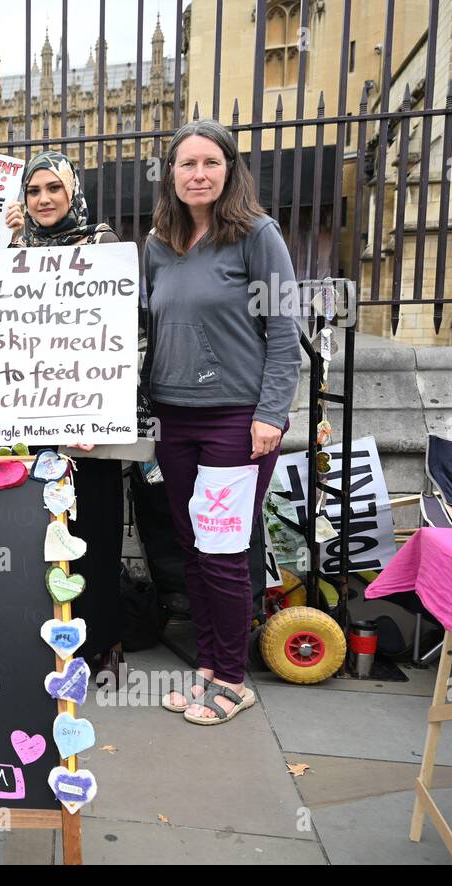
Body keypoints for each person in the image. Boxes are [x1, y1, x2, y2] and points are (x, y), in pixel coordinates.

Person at [143, 119, 301, 724]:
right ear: (172, 175)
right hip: (172, 417)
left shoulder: (258, 236)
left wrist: (271, 414)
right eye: (187, 164)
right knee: (191, 545)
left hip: (237, 419)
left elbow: (285, 330)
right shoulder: (159, 244)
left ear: (230, 170)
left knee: (224, 549)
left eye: (210, 163)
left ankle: (234, 679)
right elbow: (147, 327)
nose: (199, 174)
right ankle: (208, 665)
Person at [0, 151, 127, 683]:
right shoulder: (13, 251)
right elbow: (4, 348)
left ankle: (102, 640)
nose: (43, 199)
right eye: (34, 190)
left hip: (89, 423)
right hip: (32, 421)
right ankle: (45, 633)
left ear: (72, 191)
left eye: (53, 188)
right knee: (36, 530)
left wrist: (101, 411)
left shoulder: (103, 243)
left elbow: (123, 333)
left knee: (95, 531)